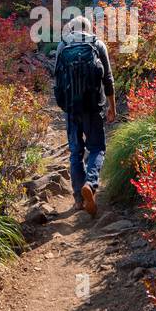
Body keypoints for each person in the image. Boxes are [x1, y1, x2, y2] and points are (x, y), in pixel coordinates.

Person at [52, 15, 117, 216]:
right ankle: (91, 183)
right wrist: (112, 106)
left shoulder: (63, 46)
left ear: (71, 30)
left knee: (75, 153)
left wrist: (63, 104)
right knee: (97, 148)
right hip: (93, 107)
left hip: (72, 108)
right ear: (89, 28)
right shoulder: (97, 44)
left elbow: (56, 78)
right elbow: (108, 79)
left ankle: (79, 200)